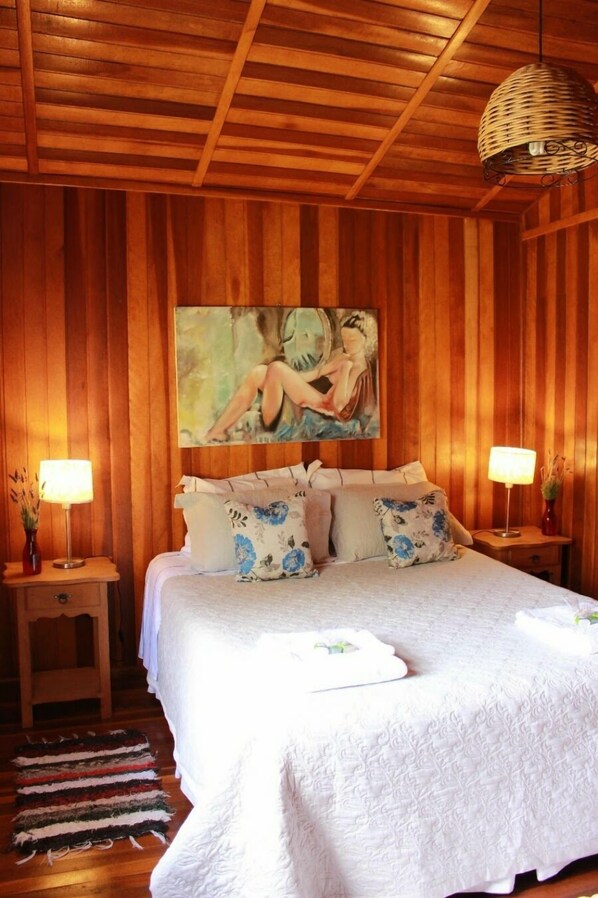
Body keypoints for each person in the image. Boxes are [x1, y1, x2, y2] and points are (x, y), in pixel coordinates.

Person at [205, 312, 376, 443]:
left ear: (365, 339)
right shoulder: (344, 358)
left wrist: (345, 371)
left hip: (327, 406)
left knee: (277, 368)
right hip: (318, 394)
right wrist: (293, 379)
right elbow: (318, 373)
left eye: (352, 339)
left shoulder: (356, 368)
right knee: (259, 373)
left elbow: (339, 405)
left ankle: (268, 427)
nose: (347, 344)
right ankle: (217, 431)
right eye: (345, 339)